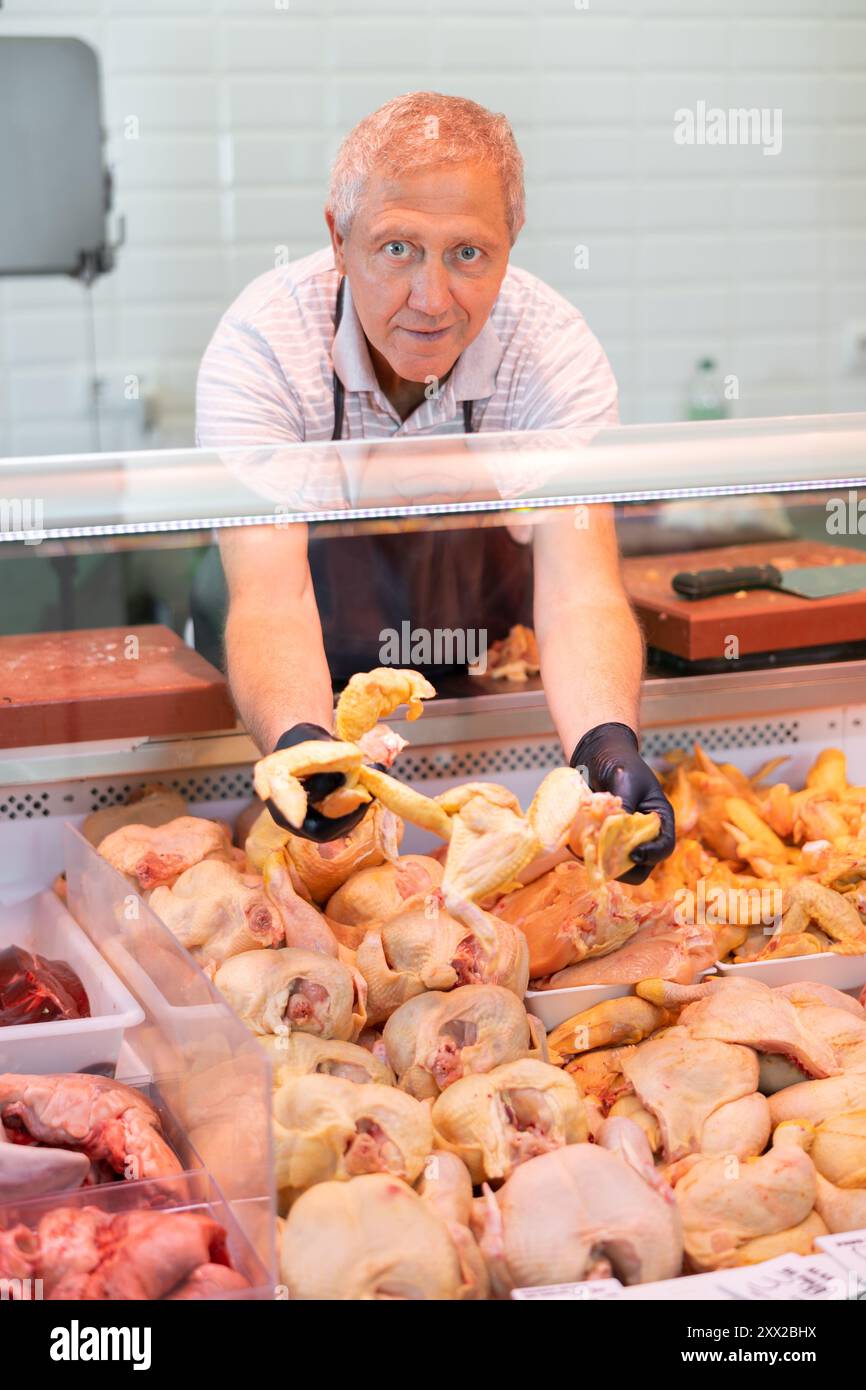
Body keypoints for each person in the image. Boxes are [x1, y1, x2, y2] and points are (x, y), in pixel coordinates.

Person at [195, 91, 674, 880]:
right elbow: (270, 597)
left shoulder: (550, 350)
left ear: (511, 246)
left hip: (480, 677)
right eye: (396, 249)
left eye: (468, 254)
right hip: (289, 686)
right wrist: (302, 745)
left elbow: (580, 589)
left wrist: (604, 745)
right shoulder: (266, 346)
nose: (431, 299)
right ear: (337, 238)